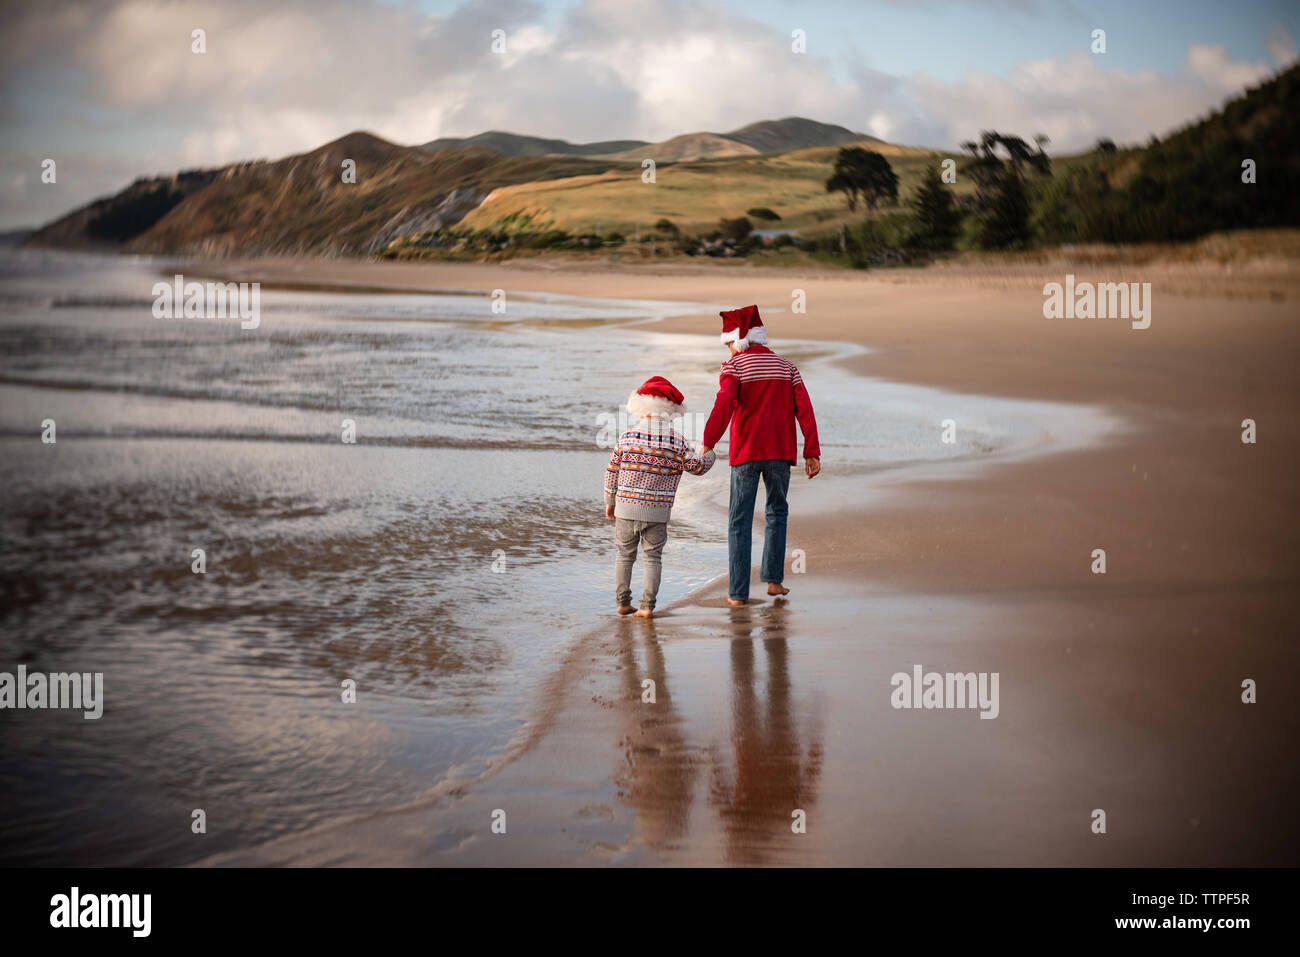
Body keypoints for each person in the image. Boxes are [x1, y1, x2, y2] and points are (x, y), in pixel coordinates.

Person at [699, 305, 820, 606]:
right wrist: (812, 451)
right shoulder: (787, 367)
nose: (728, 350)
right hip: (780, 454)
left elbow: (723, 405)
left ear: (737, 340)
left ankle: (738, 594)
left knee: (739, 520)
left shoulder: (734, 367)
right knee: (777, 513)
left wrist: (708, 442)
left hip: (746, 454)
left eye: (728, 343)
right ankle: (774, 582)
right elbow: (805, 409)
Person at [604, 376, 715, 618]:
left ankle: (623, 603)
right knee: (652, 558)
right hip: (657, 511)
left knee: (624, 555)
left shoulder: (626, 438)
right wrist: (708, 453)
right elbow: (697, 467)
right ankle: (646, 607)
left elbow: (612, 472)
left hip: (625, 508)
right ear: (670, 410)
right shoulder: (676, 441)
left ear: (640, 406)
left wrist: (610, 502)